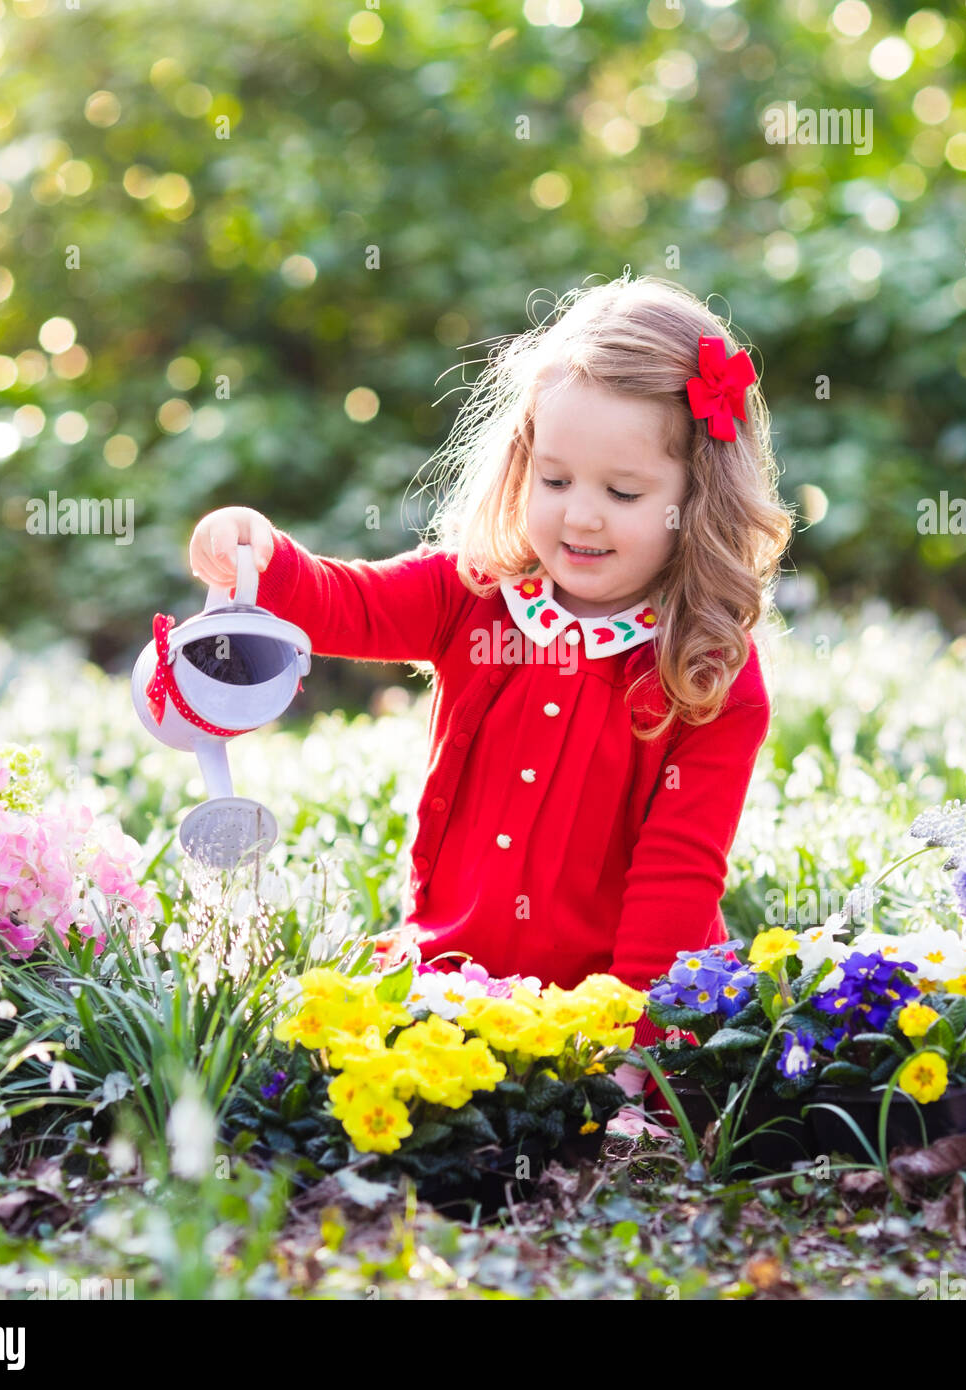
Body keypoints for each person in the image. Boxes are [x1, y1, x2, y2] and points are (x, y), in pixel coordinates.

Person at [188, 273, 794, 1139]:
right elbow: (345, 603)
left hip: (614, 1017)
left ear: (696, 497)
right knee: (335, 1088)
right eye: (554, 479)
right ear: (523, 462)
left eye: (622, 493)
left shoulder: (705, 671)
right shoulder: (474, 596)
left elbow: (677, 875)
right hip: (455, 979)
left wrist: (630, 1061)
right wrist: (264, 558)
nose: (580, 516)